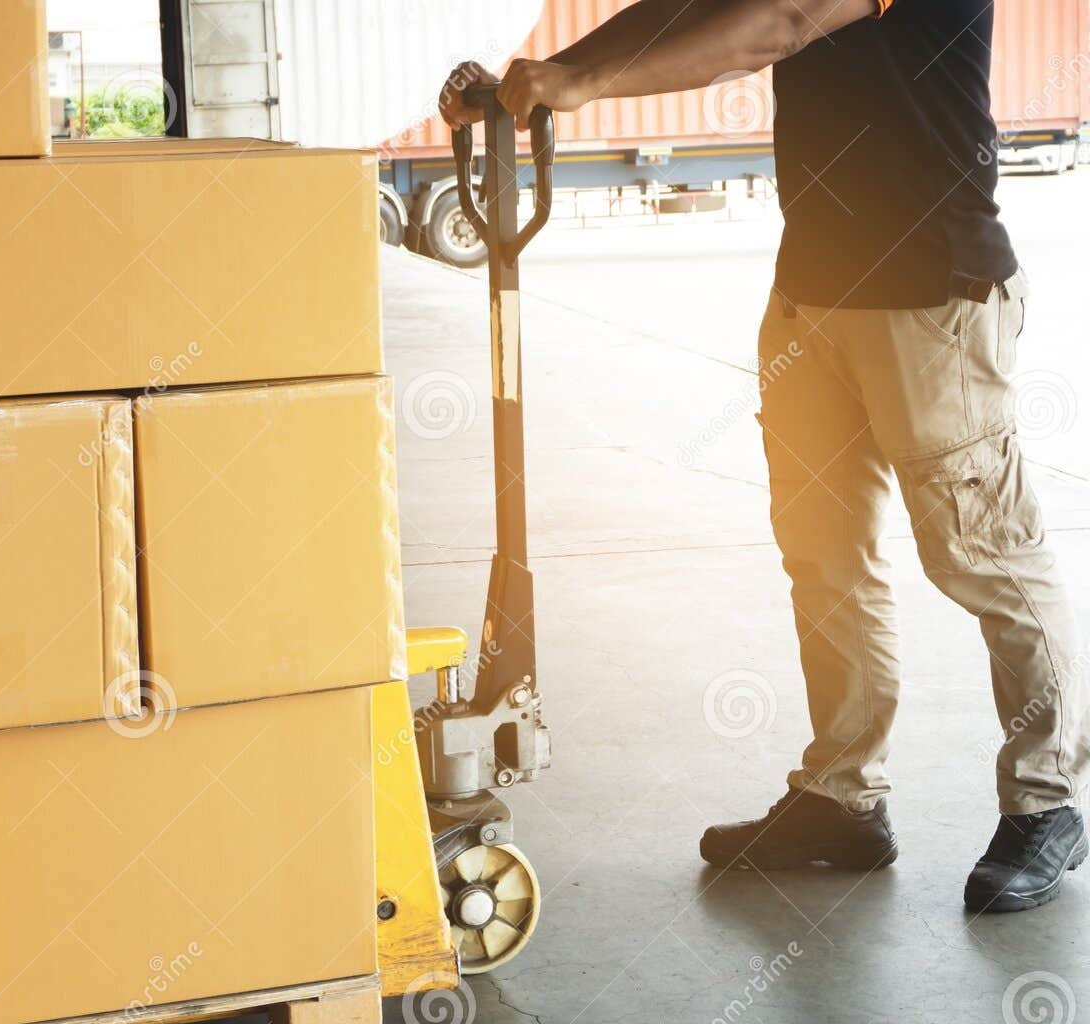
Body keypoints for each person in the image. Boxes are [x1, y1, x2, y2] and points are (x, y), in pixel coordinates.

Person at [440, 0, 1087, 913]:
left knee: (983, 557)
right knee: (824, 557)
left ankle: (1045, 801)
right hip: (812, 292)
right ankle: (842, 797)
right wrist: (536, 80)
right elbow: (685, 10)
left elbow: (778, 23)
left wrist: (575, 84)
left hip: (931, 289)